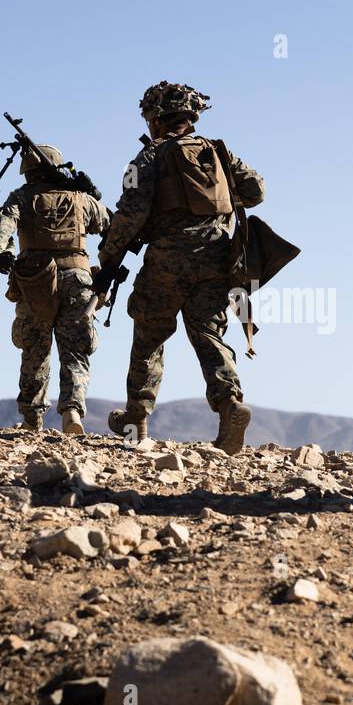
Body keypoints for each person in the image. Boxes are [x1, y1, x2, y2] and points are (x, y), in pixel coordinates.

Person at [96, 81, 265, 454]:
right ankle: (229, 405)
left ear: (156, 119)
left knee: (150, 334)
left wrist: (108, 257)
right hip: (217, 257)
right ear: (192, 117)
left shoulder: (146, 159)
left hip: (167, 259)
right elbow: (256, 191)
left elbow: (129, 215)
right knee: (208, 332)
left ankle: (137, 419)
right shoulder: (219, 152)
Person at [0, 144, 108, 433]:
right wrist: (91, 193)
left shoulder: (21, 197)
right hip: (78, 280)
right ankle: (72, 413)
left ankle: (31, 418)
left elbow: (3, 229)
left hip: (36, 280)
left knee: (35, 347)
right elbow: (113, 225)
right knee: (75, 349)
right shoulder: (81, 199)